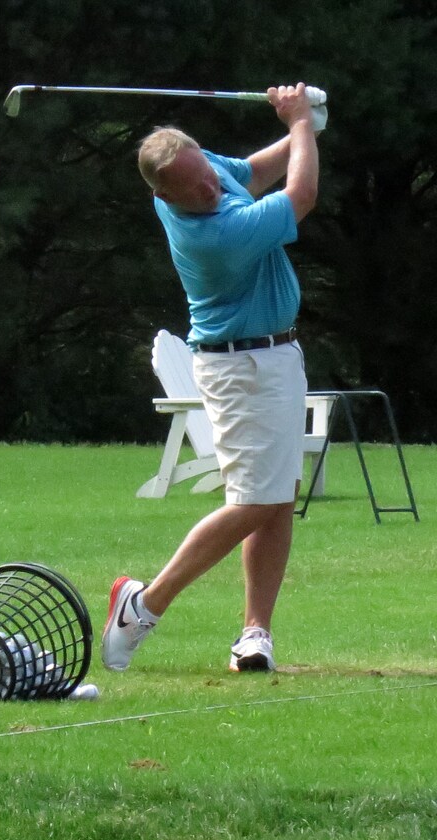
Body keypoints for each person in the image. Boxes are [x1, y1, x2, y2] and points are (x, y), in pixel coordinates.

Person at [102, 83, 324, 674]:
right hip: (239, 367)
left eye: (207, 173)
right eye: (195, 186)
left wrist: (305, 124)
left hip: (274, 357)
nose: (210, 187)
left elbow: (252, 171)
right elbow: (300, 193)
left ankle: (255, 634)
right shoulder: (211, 236)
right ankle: (143, 604)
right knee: (258, 499)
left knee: (276, 502)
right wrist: (300, 122)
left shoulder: (202, 174)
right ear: (165, 197)